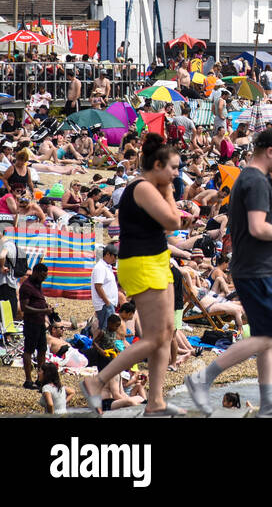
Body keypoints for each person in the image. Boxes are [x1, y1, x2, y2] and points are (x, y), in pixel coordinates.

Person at [186, 128, 272, 417]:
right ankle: (203, 378)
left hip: (262, 268)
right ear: (270, 152)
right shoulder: (254, 180)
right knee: (266, 337)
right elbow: (257, 227)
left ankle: (269, 404)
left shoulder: (251, 179)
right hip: (257, 270)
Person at [78, 134, 186, 415]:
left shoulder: (151, 188)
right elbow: (174, 222)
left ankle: (156, 401)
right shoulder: (142, 187)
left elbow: (163, 228)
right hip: (141, 263)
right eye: (173, 168)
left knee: (166, 333)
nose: (176, 174)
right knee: (152, 337)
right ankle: (97, 381)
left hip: (157, 258)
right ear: (158, 165)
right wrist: (171, 192)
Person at [19, 263, 51, 391]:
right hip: (31, 323)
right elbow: (24, 308)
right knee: (29, 350)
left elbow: (38, 301)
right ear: (36, 272)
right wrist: (43, 311)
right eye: (42, 276)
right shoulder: (26, 287)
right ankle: (28, 379)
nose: (43, 279)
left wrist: (46, 307)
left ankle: (40, 379)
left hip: (40, 323)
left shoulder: (38, 284)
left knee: (42, 350)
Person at [89, 243, 122, 336]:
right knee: (106, 331)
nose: (115, 259)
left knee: (109, 331)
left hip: (108, 304)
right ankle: (102, 349)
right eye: (115, 256)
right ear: (107, 254)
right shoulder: (100, 268)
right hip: (105, 304)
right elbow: (98, 286)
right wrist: (107, 302)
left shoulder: (107, 267)